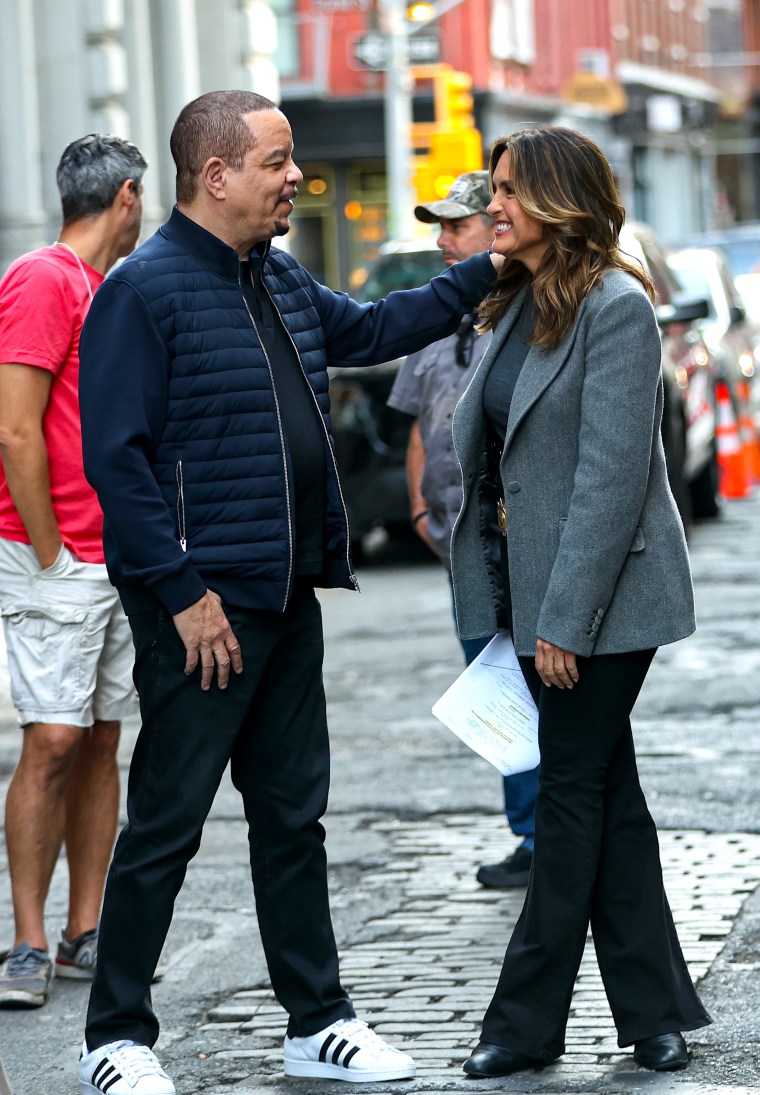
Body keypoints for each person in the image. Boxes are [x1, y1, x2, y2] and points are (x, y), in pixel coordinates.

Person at [75, 90, 499, 1095]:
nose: (296, 177)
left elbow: (377, 326)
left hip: (283, 593)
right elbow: (115, 462)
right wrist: (182, 594)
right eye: (277, 161)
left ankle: (318, 1021)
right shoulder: (142, 290)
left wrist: (490, 266)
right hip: (200, 608)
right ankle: (114, 1038)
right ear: (216, 174)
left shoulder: (276, 272)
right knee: (167, 825)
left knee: (293, 819)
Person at [448, 126, 712, 1078]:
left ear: (558, 201)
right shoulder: (514, 301)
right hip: (526, 592)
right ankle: (656, 1014)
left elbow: (610, 478)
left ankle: (523, 1023)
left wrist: (565, 621)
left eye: (510, 190)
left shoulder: (617, 306)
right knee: (608, 794)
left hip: (603, 599)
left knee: (566, 797)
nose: (494, 204)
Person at [0, 135, 146, 1010]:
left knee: (100, 738)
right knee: (51, 739)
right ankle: (25, 941)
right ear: (126, 195)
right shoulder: (43, 277)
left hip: (112, 554)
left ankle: (84, 927)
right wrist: (52, 550)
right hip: (52, 555)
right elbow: (14, 426)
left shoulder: (103, 286)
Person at [387, 171, 538, 889]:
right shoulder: (437, 315)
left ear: (496, 226)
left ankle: (561, 833)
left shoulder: (531, 308)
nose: (444, 240)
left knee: (543, 684)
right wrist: (421, 509)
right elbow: (421, 426)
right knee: (496, 688)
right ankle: (531, 834)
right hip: (460, 544)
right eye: (441, 227)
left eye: (457, 225)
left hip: (521, 540)